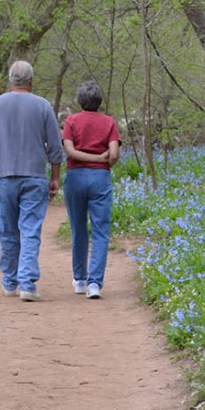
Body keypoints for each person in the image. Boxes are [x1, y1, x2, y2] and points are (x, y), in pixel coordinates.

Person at [0, 61, 65, 301]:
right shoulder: (43, 106)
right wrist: (55, 177)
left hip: (5, 175)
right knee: (30, 230)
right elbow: (55, 146)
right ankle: (27, 284)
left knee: (7, 230)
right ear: (31, 81)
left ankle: (9, 281)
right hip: (35, 176)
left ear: (10, 80)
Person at [61, 81, 120, 300]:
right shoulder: (109, 122)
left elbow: (69, 150)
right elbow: (113, 155)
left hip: (75, 177)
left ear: (80, 101)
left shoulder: (71, 121)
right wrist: (100, 161)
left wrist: (86, 158)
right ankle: (95, 284)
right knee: (101, 231)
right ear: (99, 101)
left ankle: (79, 280)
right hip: (100, 178)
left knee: (78, 228)